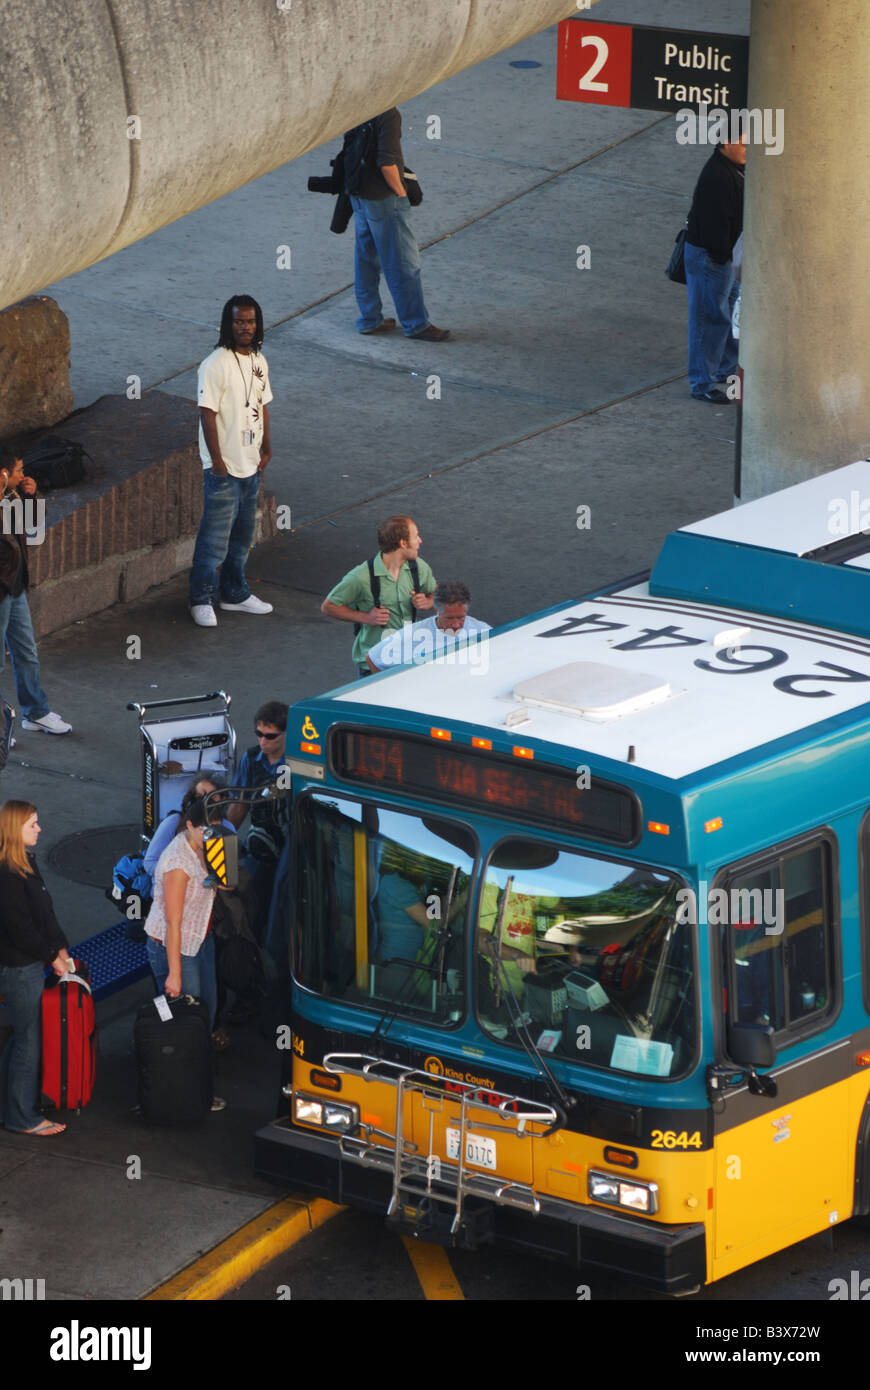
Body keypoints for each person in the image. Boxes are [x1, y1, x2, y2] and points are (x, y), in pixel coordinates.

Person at [189, 295, 274, 628]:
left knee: (242, 536)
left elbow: (263, 404)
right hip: (223, 468)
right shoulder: (214, 364)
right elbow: (206, 414)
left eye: (251, 321)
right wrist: (217, 462)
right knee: (213, 540)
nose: (245, 327)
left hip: (252, 464)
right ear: (228, 324)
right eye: (239, 321)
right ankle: (201, 599)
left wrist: (267, 447)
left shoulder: (259, 360)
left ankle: (234, 593)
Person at [144, 795, 225, 1110]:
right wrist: (174, 973)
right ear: (189, 825)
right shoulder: (178, 862)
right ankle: (188, 1095)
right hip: (173, 948)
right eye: (205, 830)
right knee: (187, 1021)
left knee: (205, 1013)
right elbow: (172, 924)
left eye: (215, 829)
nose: (211, 836)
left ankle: (193, 1087)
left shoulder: (204, 844)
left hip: (199, 941)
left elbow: (224, 883)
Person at [0, 801, 74, 1135]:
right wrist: (52, 954)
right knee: (27, 1040)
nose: (40, 828)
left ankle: (10, 1107)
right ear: (15, 829)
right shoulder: (7, 872)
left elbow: (43, 910)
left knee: (21, 1038)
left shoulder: (23, 862)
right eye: (33, 824)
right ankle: (21, 1118)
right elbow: (21, 927)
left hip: (27, 962)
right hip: (18, 968)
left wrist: (58, 945)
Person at [346, 108, 450, 341]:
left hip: (359, 193)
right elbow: (387, 163)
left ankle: (369, 319)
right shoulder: (388, 114)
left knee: (366, 259)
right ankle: (416, 324)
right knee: (403, 263)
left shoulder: (357, 105)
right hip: (384, 199)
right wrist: (401, 194)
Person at [0, 454, 71, 734]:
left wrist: (33, 497)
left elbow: (33, 528)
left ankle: (35, 712)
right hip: (2, 590)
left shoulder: (12, 495)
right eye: (19, 471)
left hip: (14, 588)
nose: (23, 475)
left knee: (26, 651)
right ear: (3, 472)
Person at [321, 515, 436, 677]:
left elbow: (436, 591)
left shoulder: (419, 568)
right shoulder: (360, 577)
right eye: (416, 536)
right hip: (374, 665)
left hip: (408, 659)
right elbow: (328, 606)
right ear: (403, 543)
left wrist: (429, 601)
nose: (420, 541)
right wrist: (366, 618)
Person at [684, 133, 746, 404]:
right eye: (744, 144)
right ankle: (702, 383)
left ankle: (727, 370)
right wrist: (725, 258)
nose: (749, 149)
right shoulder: (718, 177)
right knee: (709, 319)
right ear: (726, 143)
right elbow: (713, 229)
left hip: (724, 255)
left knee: (729, 314)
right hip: (713, 258)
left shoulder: (733, 169)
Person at [227, 700, 290, 947]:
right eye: (259, 734)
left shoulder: (300, 760)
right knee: (252, 897)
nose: (263, 742)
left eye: (270, 736)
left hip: (293, 841)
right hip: (262, 840)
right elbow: (240, 805)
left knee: (281, 899)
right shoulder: (251, 758)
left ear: (287, 734)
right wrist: (224, 838)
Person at [366, 580, 490, 671]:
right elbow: (373, 658)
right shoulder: (411, 635)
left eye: (461, 617)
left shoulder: (483, 630)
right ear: (437, 611)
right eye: (450, 618)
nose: (456, 624)